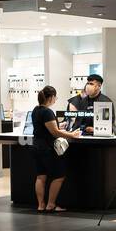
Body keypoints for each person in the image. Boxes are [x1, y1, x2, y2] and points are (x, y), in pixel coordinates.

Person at [32, 85, 84, 213]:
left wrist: (59, 124)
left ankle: (41, 205)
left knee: (40, 177)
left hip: (37, 146)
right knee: (59, 176)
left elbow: (45, 127)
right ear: (51, 97)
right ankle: (51, 204)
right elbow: (55, 132)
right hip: (48, 148)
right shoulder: (48, 112)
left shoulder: (36, 110)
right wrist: (72, 134)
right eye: (55, 97)